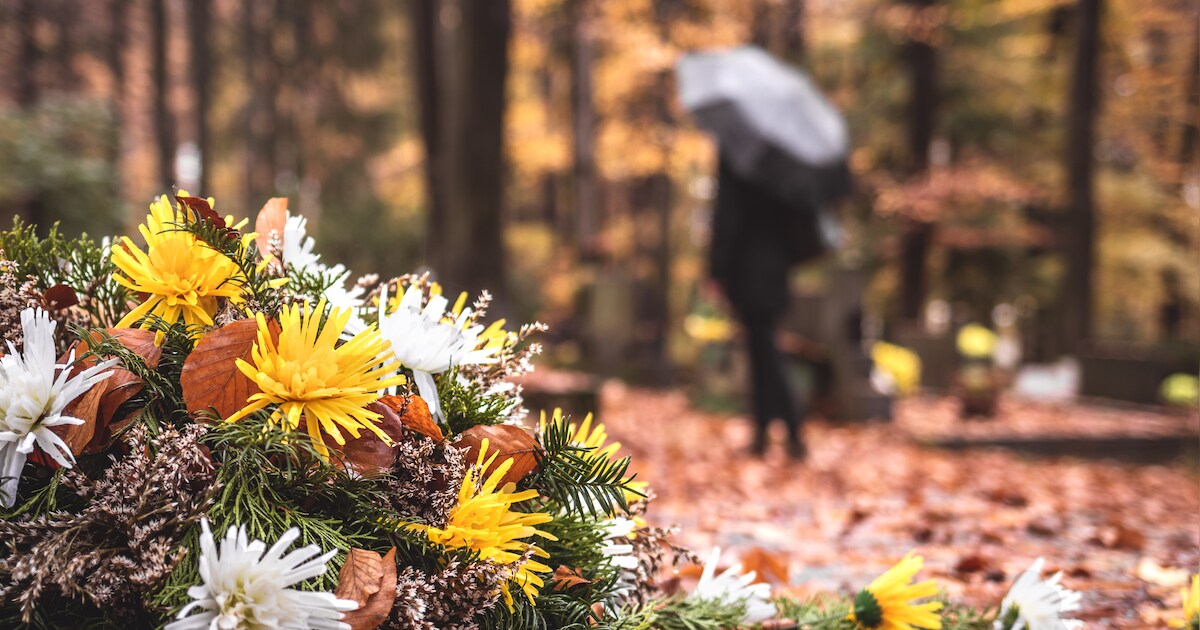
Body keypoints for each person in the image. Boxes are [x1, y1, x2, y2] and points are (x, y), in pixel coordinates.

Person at [708, 152, 808, 459]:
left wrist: (717, 268)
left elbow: (727, 214)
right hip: (776, 269)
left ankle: (791, 429)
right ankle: (765, 432)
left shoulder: (738, 156)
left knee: (765, 350)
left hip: (749, 269)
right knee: (762, 350)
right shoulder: (784, 158)